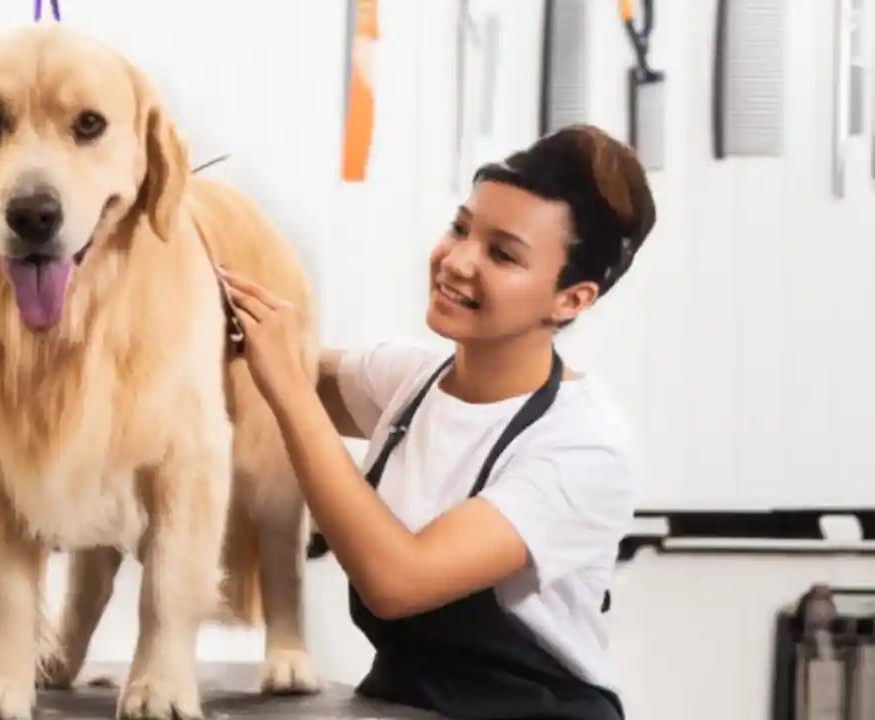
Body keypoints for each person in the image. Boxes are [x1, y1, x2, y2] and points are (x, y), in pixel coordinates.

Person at [218, 124, 656, 720]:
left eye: (502, 254)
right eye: (460, 228)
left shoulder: (582, 447)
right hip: (403, 704)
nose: (457, 261)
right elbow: (262, 360)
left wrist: (289, 390)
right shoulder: (412, 382)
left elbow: (398, 581)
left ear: (570, 300)